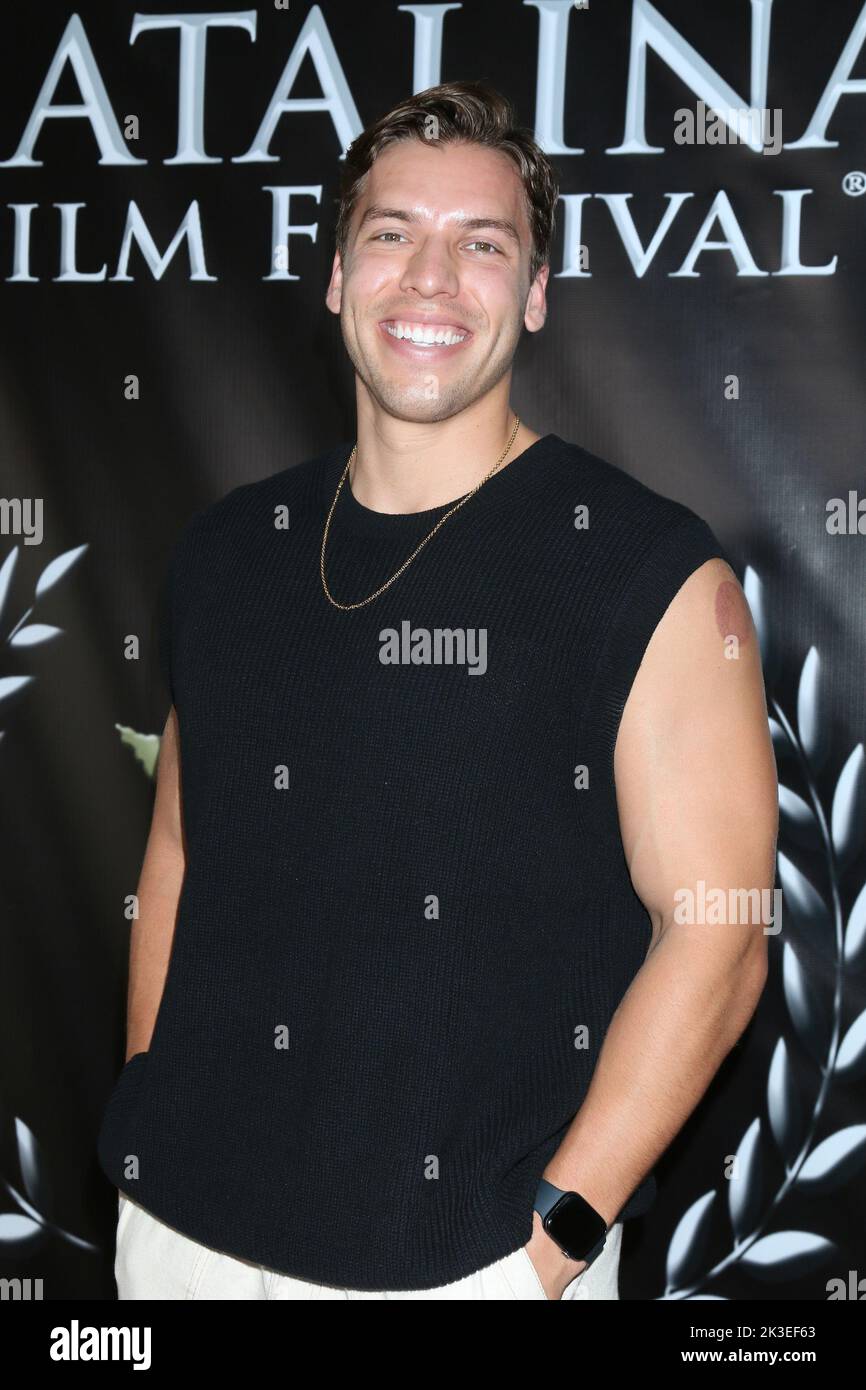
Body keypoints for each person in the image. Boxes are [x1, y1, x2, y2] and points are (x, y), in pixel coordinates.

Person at [98, 80, 777, 1301]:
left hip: (460, 1266)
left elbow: (718, 933)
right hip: (180, 1234)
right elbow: (178, 855)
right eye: (390, 235)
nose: (428, 279)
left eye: (481, 244)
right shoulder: (228, 548)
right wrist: (149, 1109)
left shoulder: (642, 568)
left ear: (533, 293)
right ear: (335, 277)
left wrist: (549, 1245)